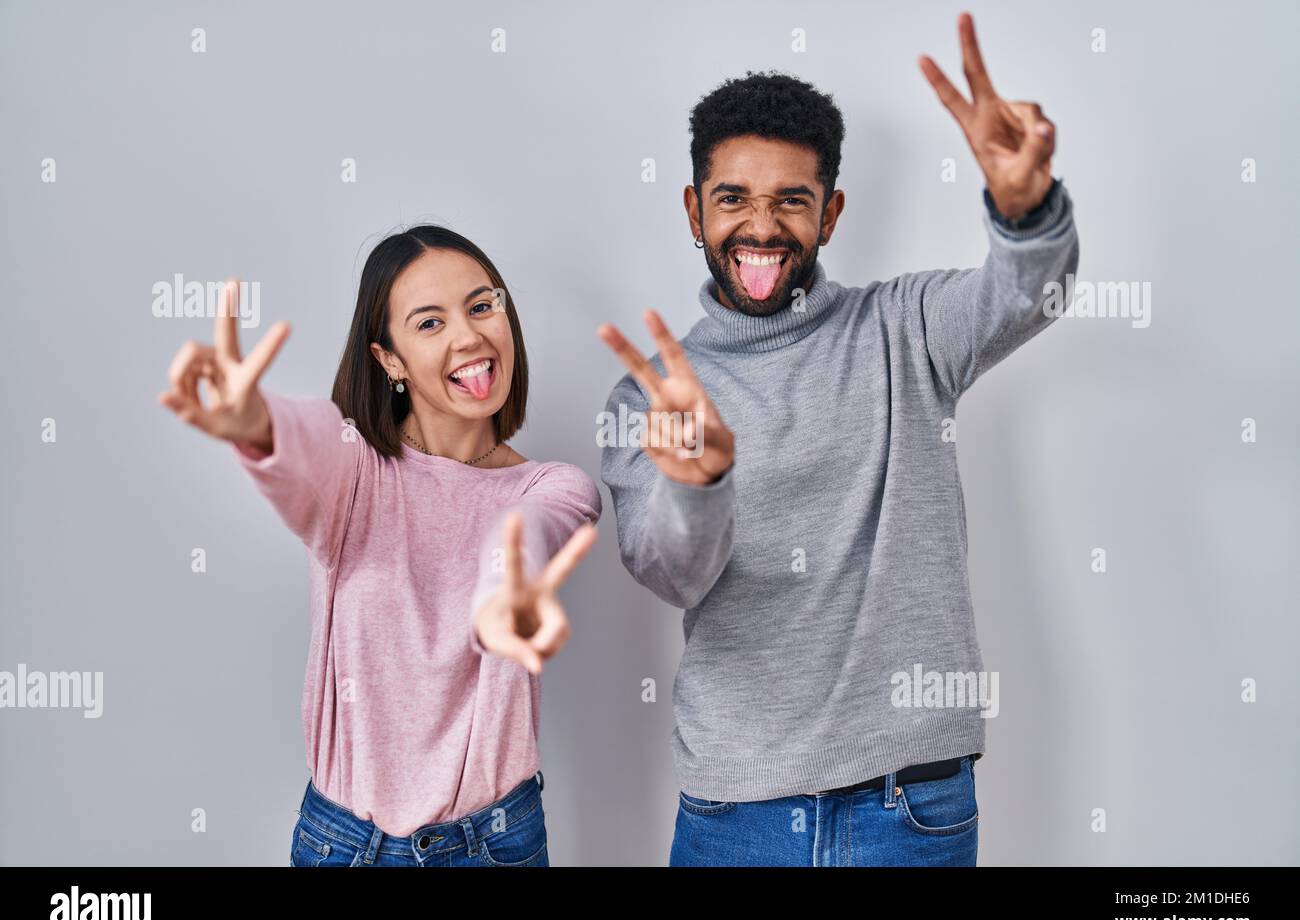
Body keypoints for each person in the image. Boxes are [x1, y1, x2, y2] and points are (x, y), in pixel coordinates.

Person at [598, 13, 1079, 866]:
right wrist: (701, 485)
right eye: (733, 198)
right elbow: (667, 571)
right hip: (735, 813)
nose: (761, 226)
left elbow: (1026, 293)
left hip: (911, 803)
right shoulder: (653, 390)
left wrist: (1026, 210)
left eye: (791, 199)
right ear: (693, 210)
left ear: (830, 214)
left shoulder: (906, 329)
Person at [157, 225, 600, 866]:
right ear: (388, 359)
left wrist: (508, 591)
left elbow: (530, 531)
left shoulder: (553, 485)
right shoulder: (354, 474)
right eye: (429, 323)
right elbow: (308, 441)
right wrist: (255, 422)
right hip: (343, 845)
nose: (468, 336)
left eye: (482, 306)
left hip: (491, 846)